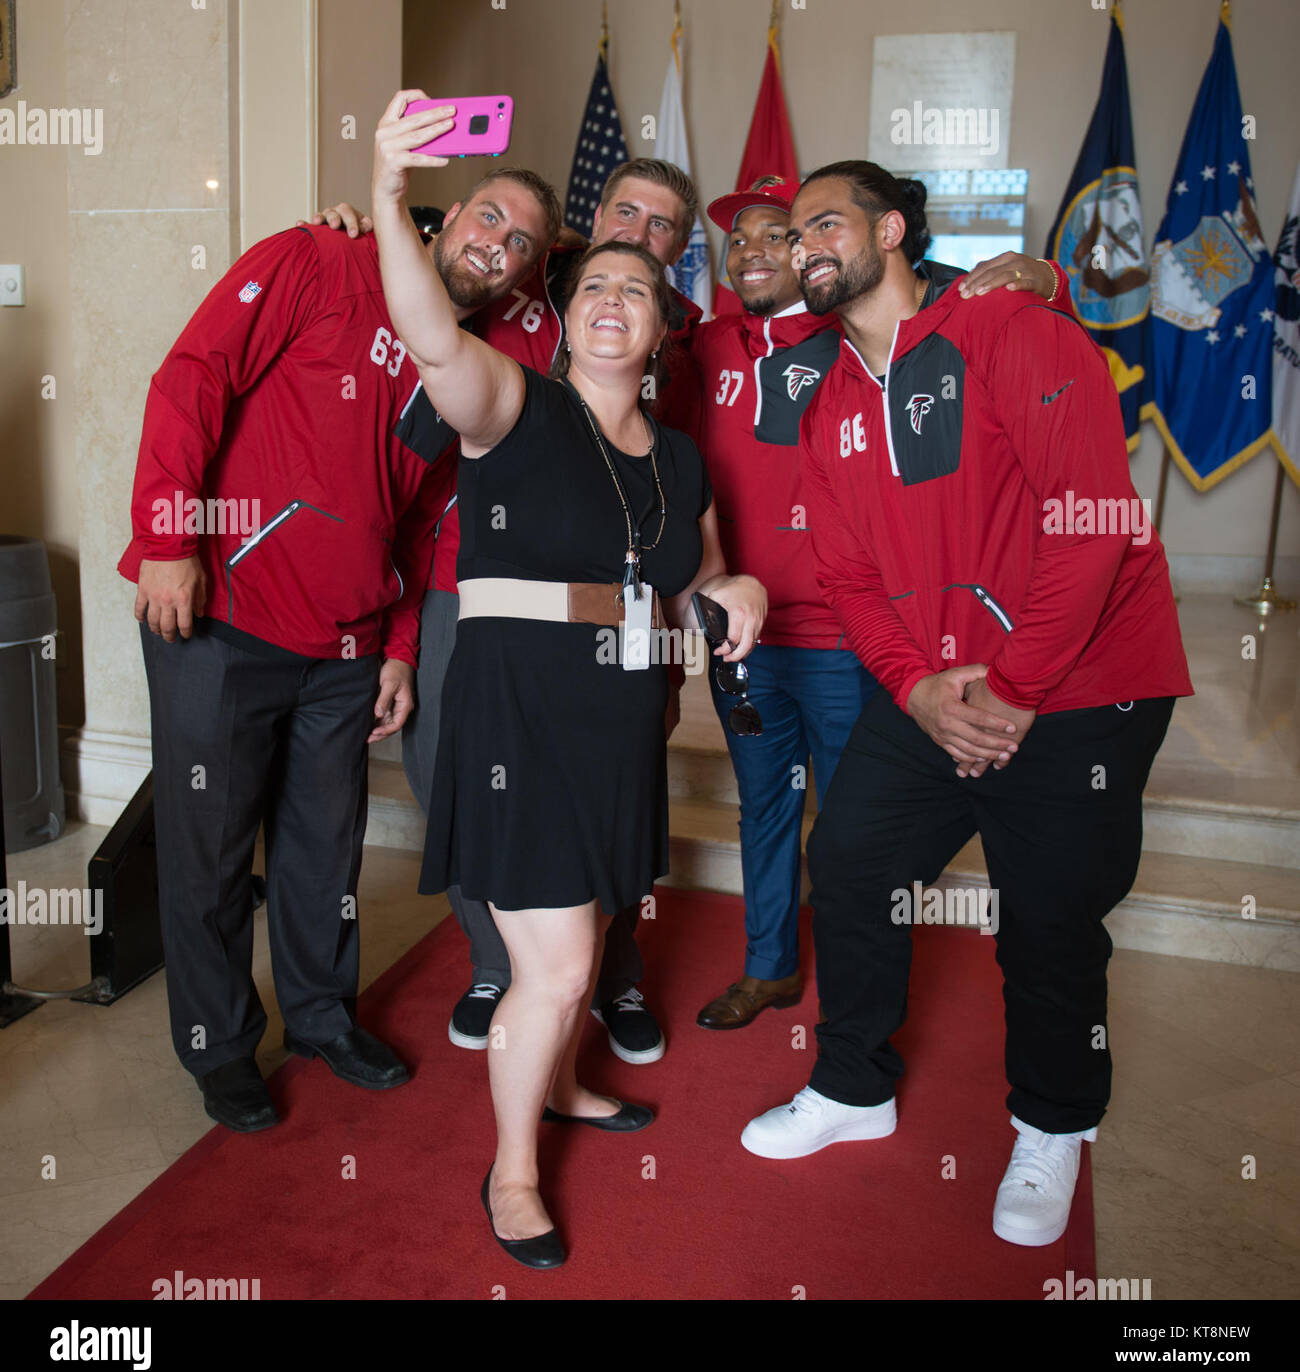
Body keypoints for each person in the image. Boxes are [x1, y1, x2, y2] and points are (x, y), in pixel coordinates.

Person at [740, 161, 1192, 1249]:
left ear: (891, 230)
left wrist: (1016, 687)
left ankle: (1053, 1120)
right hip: (932, 687)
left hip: (1081, 684)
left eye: (826, 222)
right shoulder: (825, 396)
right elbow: (848, 577)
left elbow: (1088, 524)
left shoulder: (1014, 332)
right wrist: (911, 685)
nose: (801, 243)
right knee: (849, 860)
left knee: (1045, 912)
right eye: (790, 231)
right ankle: (853, 1084)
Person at [371, 92, 765, 1267]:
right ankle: (512, 1170)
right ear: (564, 314)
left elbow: (696, 583)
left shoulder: (680, 453)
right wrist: (390, 194)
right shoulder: (512, 405)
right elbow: (429, 332)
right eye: (591, 285)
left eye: (633, 290)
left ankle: (568, 1082)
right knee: (552, 961)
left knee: (587, 933)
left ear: (660, 329)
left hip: (619, 710)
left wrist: (731, 596)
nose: (609, 301)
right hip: (520, 713)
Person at [120, 166, 557, 1133]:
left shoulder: (462, 365)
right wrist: (166, 541)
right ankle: (220, 1046)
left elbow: (419, 525)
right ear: (448, 217)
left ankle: (321, 1017)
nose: (499, 242)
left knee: (326, 853)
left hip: (348, 644)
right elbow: (192, 379)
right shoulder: (321, 256)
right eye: (491, 215)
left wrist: (399, 648)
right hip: (222, 612)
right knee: (212, 853)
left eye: (523, 241)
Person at [312, 156, 706, 1062]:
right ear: (588, 224)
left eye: (659, 232)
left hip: (622, 617)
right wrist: (377, 220)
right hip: (475, 597)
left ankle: (606, 976)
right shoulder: (510, 306)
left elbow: (678, 527)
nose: (636, 238)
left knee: (607, 802)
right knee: (467, 781)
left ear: (677, 261)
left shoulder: (666, 333)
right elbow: (414, 486)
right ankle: (504, 966)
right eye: (625, 215)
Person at [691, 176, 1068, 1030]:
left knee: (860, 828)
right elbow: (590, 311)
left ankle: (856, 1001)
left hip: (843, 636)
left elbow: (961, 300)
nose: (757, 249)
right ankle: (769, 967)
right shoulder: (703, 345)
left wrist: (1050, 280)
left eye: (781, 233)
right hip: (740, 642)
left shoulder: (861, 332)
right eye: (740, 238)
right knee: (766, 806)